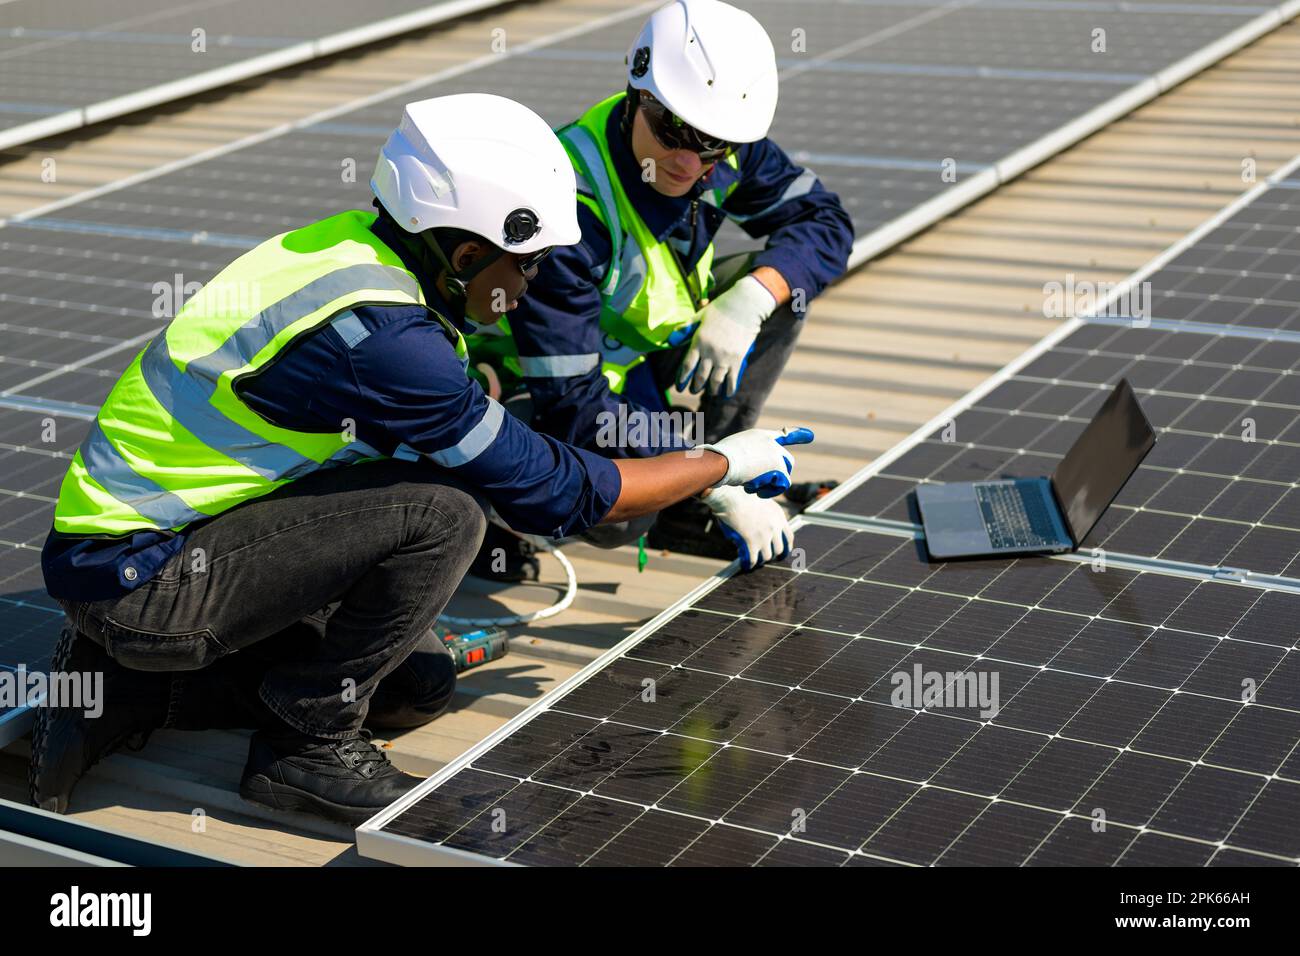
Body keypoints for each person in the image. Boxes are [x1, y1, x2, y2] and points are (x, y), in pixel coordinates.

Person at [31, 93, 814, 826]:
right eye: (528, 261)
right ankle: (301, 746)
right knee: (444, 513)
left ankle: (131, 693)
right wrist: (719, 464)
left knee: (417, 687)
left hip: (190, 538)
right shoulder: (388, 342)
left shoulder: (363, 251)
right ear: (468, 252)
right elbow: (559, 496)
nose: (534, 283)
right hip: (141, 574)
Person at [465, 0, 853, 579]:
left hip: (641, 366)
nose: (689, 160)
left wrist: (752, 297)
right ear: (636, 93)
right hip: (541, 390)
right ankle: (495, 511)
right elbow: (575, 404)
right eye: (672, 130)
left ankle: (699, 485)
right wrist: (711, 473)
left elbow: (826, 222)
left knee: (778, 292)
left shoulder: (726, 148)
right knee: (615, 515)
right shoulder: (570, 206)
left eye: (711, 144)